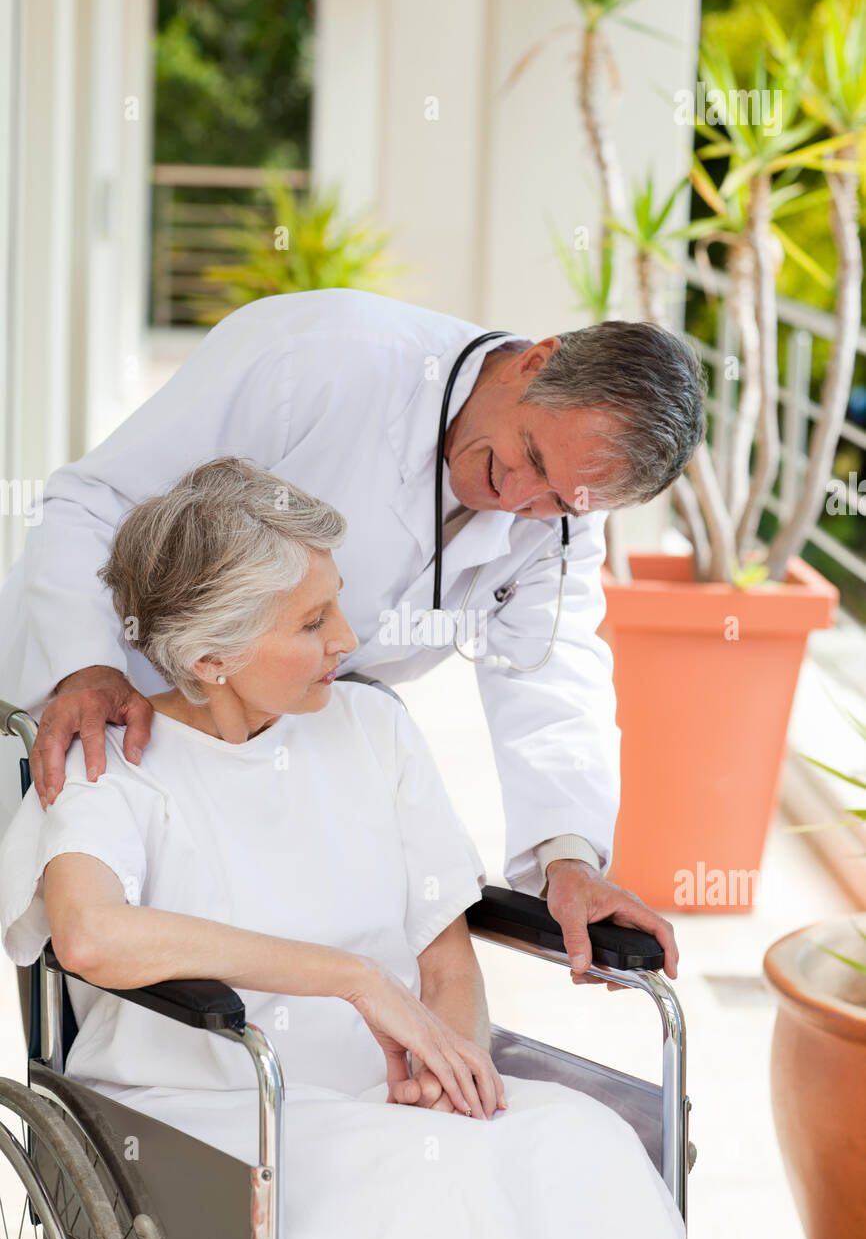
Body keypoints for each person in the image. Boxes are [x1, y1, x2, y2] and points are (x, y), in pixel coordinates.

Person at [0, 459, 695, 1239]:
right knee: (440, 1209)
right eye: (311, 622)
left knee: (587, 1154)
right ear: (210, 657)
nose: (349, 639)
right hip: (217, 1115)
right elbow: (88, 934)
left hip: (390, 1097)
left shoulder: (374, 728)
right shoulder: (111, 763)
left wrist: (451, 1067)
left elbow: (444, 961)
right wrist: (352, 978)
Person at [0, 289, 705, 988]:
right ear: (535, 363)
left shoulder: (565, 510)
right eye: (531, 458)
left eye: (556, 502)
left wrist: (570, 860)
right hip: (123, 709)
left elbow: (548, 674)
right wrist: (86, 668)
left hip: (295, 736)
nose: (518, 502)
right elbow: (94, 503)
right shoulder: (328, 356)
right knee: (104, 981)